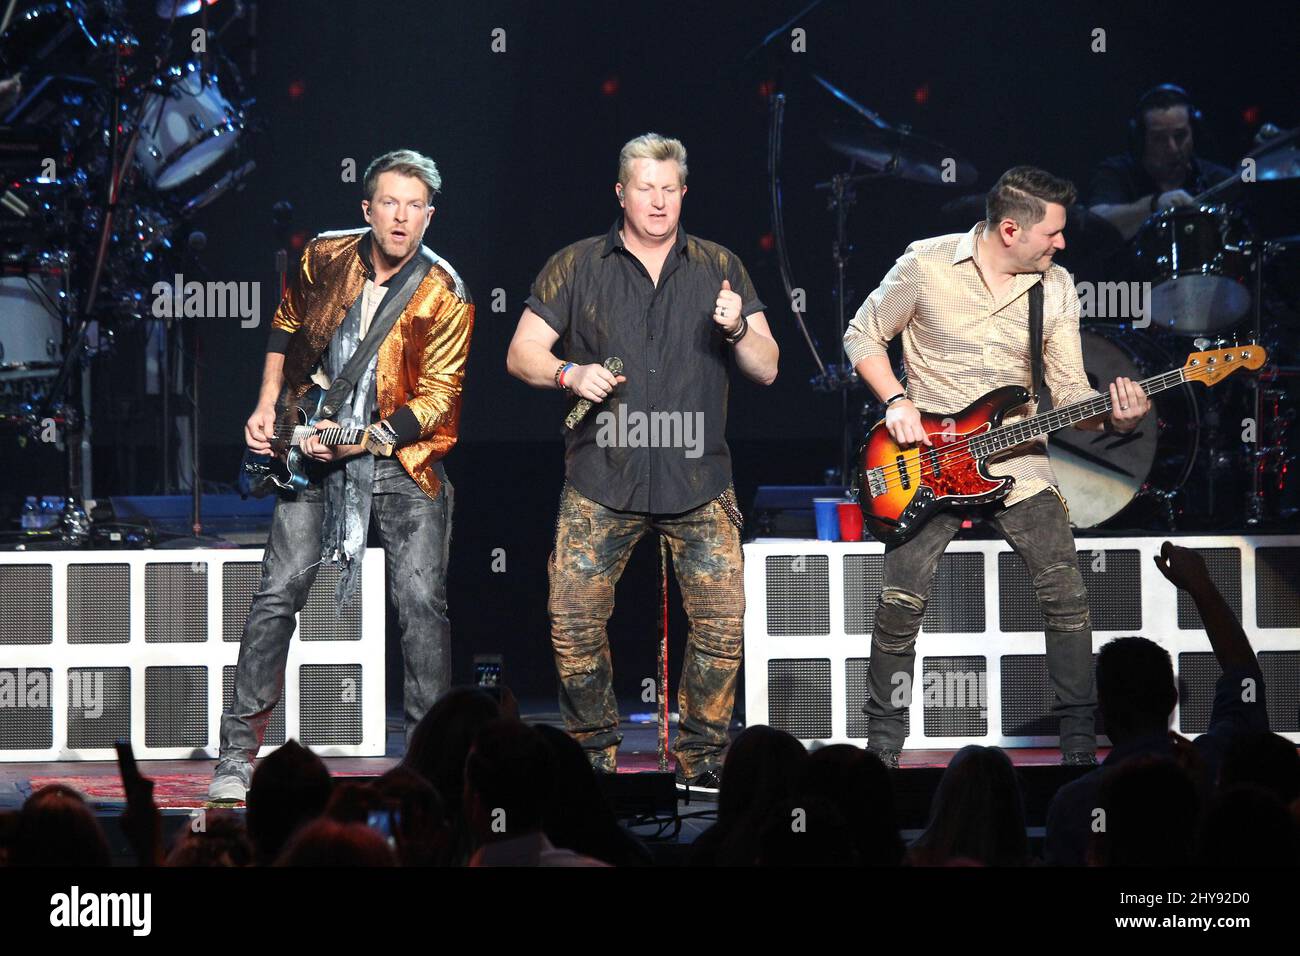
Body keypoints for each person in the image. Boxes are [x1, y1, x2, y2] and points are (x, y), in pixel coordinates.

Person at [843, 165, 1152, 770]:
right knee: (901, 601)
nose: (1061, 244)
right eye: (1053, 234)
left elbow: (1066, 396)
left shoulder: (1056, 287)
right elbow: (862, 336)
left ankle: (1078, 753)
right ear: (1010, 229)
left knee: (1066, 592)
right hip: (926, 460)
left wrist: (1116, 420)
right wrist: (896, 401)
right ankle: (881, 753)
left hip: (1017, 459)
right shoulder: (926, 265)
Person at [506, 133, 779, 792]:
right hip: (602, 473)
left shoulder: (721, 266)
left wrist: (739, 328)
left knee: (721, 624)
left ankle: (701, 759)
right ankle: (591, 757)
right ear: (621, 193)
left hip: (698, 475)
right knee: (573, 620)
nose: (657, 201)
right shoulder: (574, 265)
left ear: (683, 193)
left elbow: (767, 368)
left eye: (669, 188)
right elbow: (521, 353)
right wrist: (570, 373)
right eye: (644, 187)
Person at [209, 149, 474, 801]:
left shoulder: (446, 292)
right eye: (390, 202)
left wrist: (356, 443)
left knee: (421, 606)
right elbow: (287, 323)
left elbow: (438, 399)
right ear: (367, 209)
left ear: (430, 216)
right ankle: (236, 760)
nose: (402, 217)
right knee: (275, 597)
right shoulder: (325, 255)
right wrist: (269, 403)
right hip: (311, 447)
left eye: (415, 206)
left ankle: (427, 768)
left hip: (400, 459)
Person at [1044, 542, 1271, 865]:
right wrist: (1200, 586)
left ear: (1102, 709)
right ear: (1172, 700)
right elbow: (1244, 676)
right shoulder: (1216, 766)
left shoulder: (1074, 803)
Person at [1089, 84, 1233, 241]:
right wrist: (1153, 205)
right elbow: (1095, 224)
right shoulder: (1117, 173)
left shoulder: (1215, 177)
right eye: (1158, 138)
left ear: (1194, 134)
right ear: (1141, 140)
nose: (1172, 148)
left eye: (1180, 136)